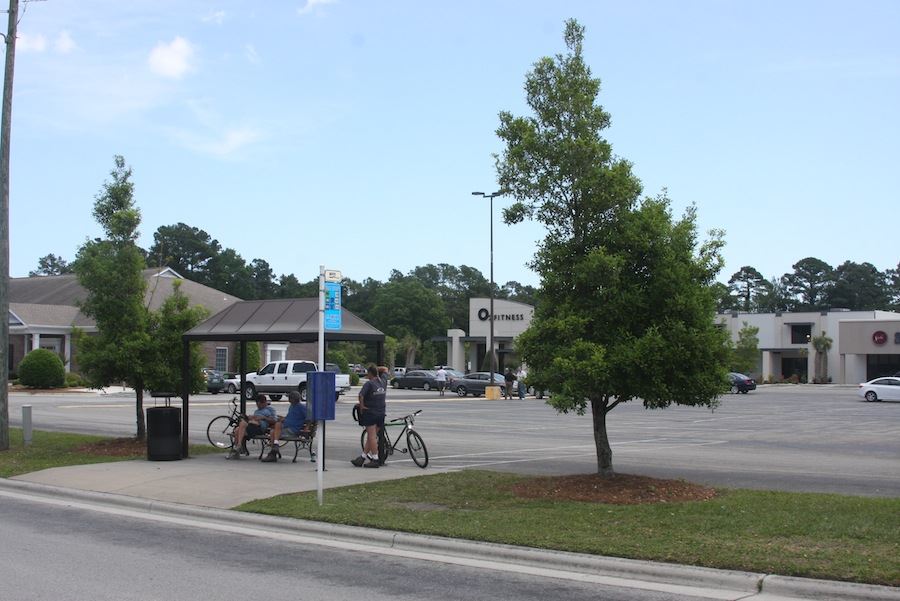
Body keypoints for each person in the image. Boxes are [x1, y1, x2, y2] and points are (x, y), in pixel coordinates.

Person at [351, 364, 386, 468]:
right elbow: (385, 369)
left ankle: (375, 459)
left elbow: (361, 395)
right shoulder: (383, 381)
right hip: (381, 413)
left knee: (371, 436)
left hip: (371, 413)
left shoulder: (369, 384)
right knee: (372, 437)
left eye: (368, 373)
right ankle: (362, 457)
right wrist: (376, 369)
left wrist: (362, 406)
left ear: (370, 373)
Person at [260, 391, 308, 462]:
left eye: (290, 398)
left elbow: (310, 418)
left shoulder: (301, 407)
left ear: (293, 399)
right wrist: (283, 418)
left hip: (292, 430)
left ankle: (274, 449)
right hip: (286, 428)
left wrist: (306, 428)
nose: (289, 399)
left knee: (277, 425)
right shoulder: (291, 407)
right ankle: (273, 453)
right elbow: (290, 418)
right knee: (272, 431)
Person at [227, 395, 277, 460]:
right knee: (237, 429)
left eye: (260, 405)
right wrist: (251, 418)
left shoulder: (270, 410)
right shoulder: (257, 411)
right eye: (257, 405)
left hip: (260, 427)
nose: (258, 406)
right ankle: (237, 449)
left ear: (264, 402)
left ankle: (238, 447)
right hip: (252, 426)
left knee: (241, 425)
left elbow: (274, 420)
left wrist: (263, 418)